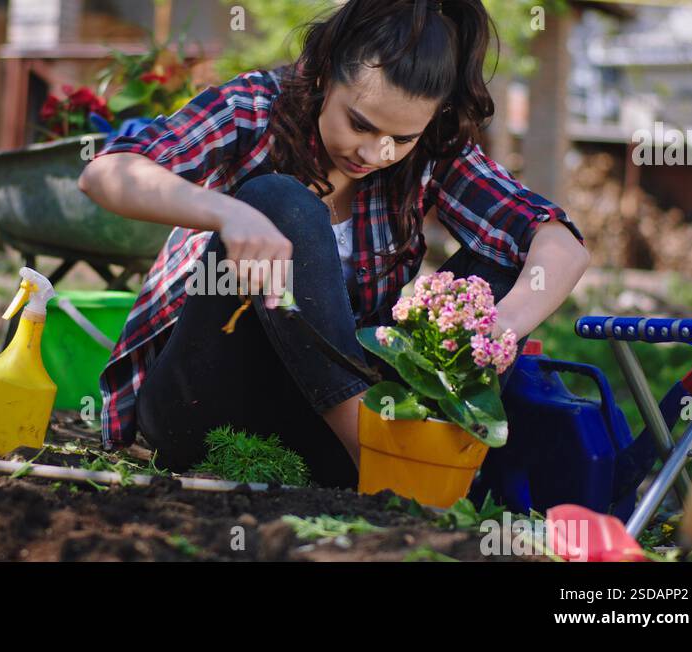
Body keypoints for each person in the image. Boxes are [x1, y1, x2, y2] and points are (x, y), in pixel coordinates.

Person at [78, 0, 590, 488]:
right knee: (281, 199)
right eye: (359, 124)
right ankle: (381, 457)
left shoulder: (431, 152)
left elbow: (556, 239)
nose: (373, 152)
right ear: (324, 74)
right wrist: (227, 212)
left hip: (319, 434)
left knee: (498, 264)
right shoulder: (255, 108)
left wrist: (500, 326)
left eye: (401, 138)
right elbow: (107, 172)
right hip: (205, 410)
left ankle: (406, 453)